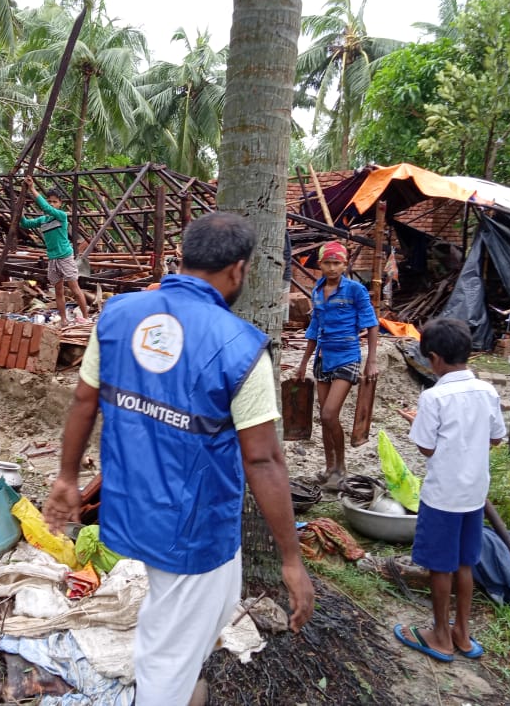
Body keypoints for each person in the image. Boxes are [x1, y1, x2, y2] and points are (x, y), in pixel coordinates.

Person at [44, 212, 314, 706]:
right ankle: (167, 689)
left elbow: (85, 400)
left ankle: (179, 678)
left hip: (132, 508)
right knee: (173, 645)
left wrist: (66, 477)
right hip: (194, 526)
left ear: (184, 258)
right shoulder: (241, 347)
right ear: (237, 270)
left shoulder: (119, 316)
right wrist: (291, 558)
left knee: (198, 610)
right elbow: (264, 462)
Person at [394, 317, 505, 663]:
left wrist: (417, 422)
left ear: (435, 357)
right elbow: (496, 437)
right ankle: (463, 633)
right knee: (464, 563)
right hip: (474, 493)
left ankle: (439, 635)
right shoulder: (487, 391)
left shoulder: (434, 396)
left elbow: (427, 447)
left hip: (443, 495)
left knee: (440, 566)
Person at [294, 240, 379, 490]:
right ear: (320, 264)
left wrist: (371, 361)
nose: (332, 268)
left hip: (348, 356)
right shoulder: (318, 291)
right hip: (323, 356)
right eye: (327, 263)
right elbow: (313, 328)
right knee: (325, 416)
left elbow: (372, 324)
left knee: (330, 413)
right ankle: (329, 467)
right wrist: (302, 362)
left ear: (345, 264)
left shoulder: (355, 290)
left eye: (337, 263)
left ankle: (341, 467)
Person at [18, 177, 90, 327]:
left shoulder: (61, 216)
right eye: (49, 201)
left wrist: (32, 189)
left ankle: (86, 318)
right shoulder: (43, 220)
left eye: (54, 201)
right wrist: (19, 209)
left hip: (65, 257)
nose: (51, 204)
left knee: (75, 290)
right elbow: (25, 224)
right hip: (53, 259)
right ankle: (63, 320)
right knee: (58, 291)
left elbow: (47, 209)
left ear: (60, 204)